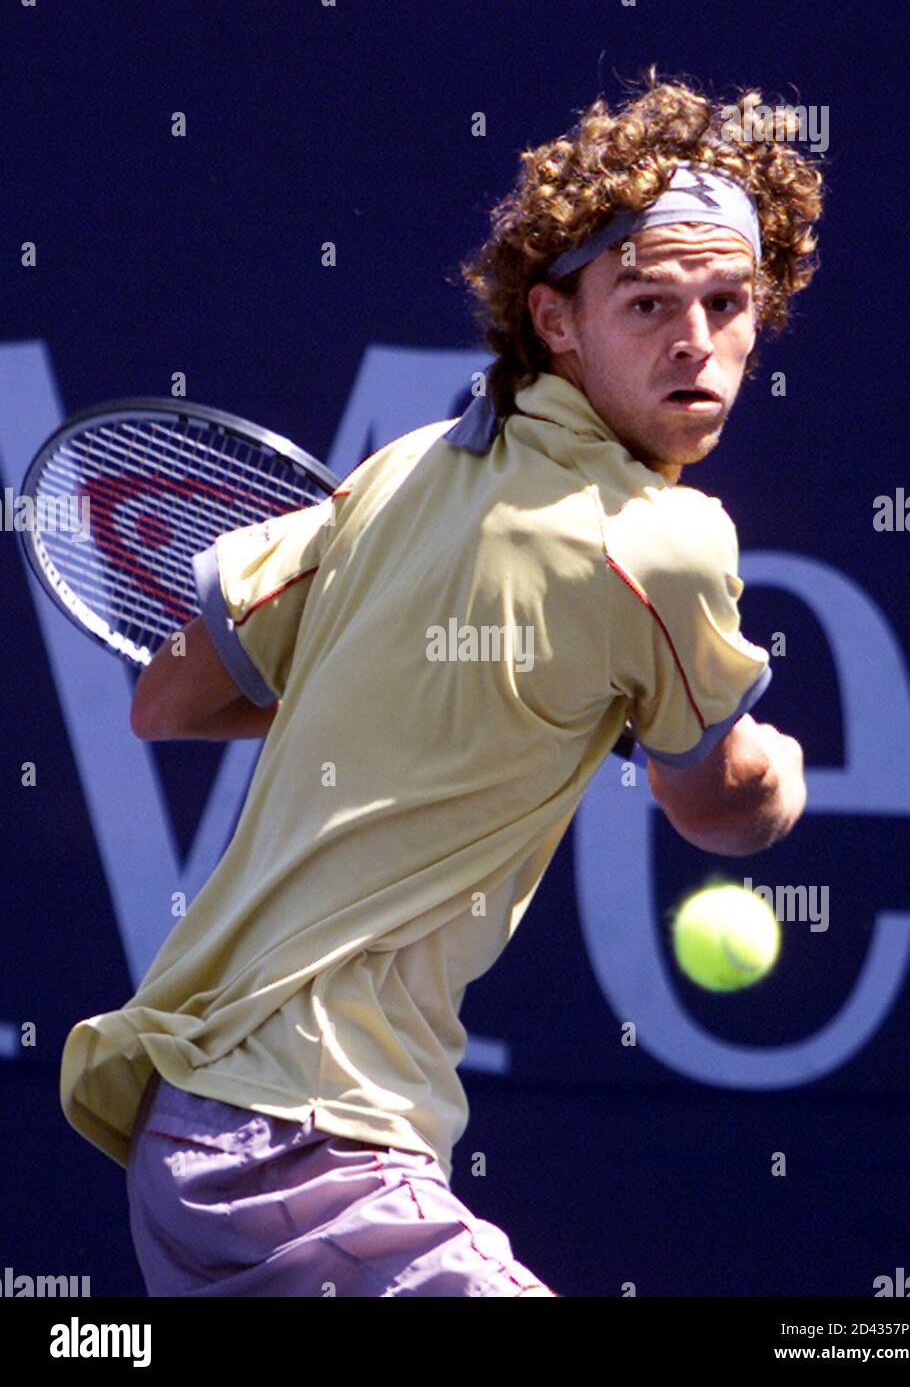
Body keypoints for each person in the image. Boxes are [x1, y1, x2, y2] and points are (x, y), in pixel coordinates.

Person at [59, 70, 822, 1297]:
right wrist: (772, 777)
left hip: (191, 1133)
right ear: (555, 319)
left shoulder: (398, 473)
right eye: (645, 303)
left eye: (727, 303)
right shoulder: (663, 546)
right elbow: (715, 806)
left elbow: (171, 699)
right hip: (307, 1148)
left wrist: (458, 704)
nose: (695, 342)